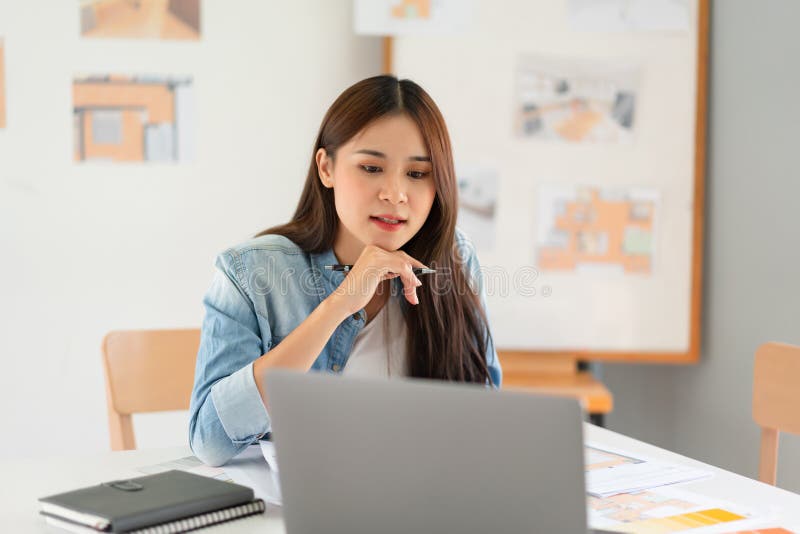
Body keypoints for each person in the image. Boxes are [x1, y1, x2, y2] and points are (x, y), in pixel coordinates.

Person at [189, 75, 502, 466]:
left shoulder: (454, 258)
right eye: (372, 168)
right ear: (326, 168)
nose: (395, 194)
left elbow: (485, 419)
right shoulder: (252, 271)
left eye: (418, 174)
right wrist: (337, 305)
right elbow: (209, 442)